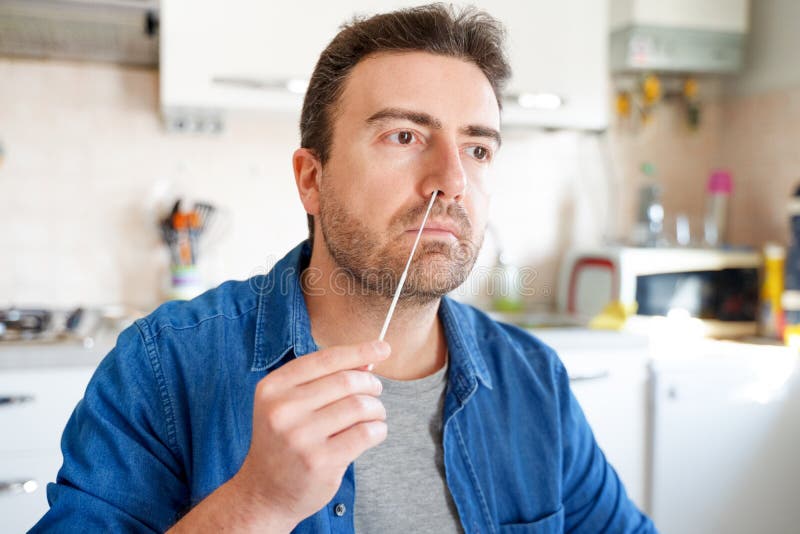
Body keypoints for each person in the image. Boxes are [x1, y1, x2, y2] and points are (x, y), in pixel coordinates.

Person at [33, 4, 656, 533]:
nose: (452, 181)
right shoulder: (162, 365)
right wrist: (257, 502)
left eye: (477, 148)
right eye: (404, 136)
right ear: (312, 179)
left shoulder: (535, 380)